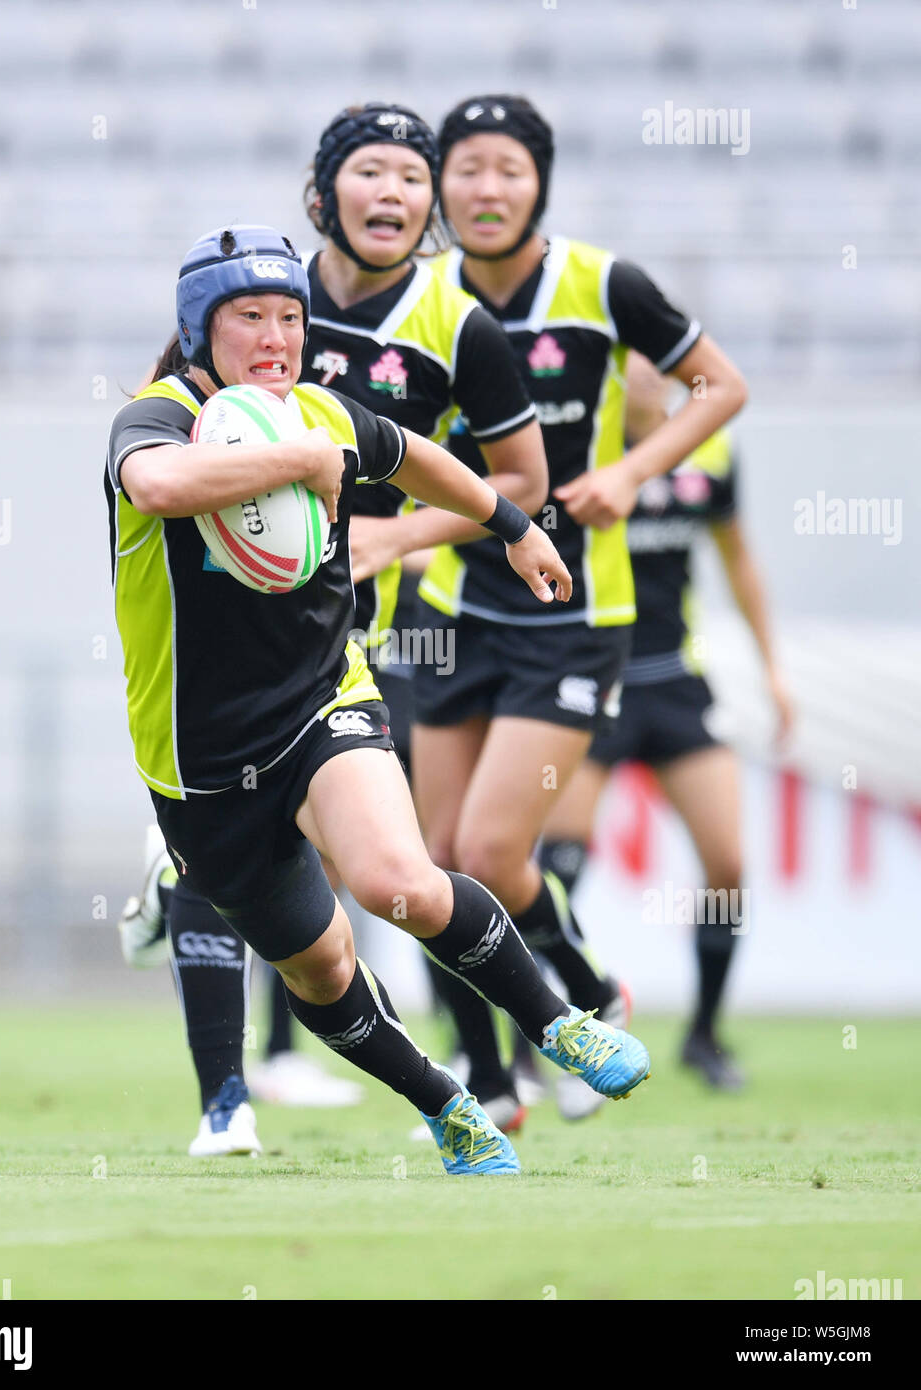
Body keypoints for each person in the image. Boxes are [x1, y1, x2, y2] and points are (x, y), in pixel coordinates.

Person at [104, 221, 652, 1177]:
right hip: (195, 759)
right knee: (318, 968)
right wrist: (302, 465)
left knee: (397, 880)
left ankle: (561, 1023)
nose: (276, 337)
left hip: (324, 701)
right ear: (199, 330)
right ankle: (443, 1100)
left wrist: (513, 523)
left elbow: (414, 459)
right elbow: (156, 487)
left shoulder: (318, 408)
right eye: (249, 319)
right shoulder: (154, 417)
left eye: (290, 317)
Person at [360, 94, 748, 1124]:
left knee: (490, 853)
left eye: (509, 169)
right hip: (448, 607)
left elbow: (719, 384)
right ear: (439, 185)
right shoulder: (421, 297)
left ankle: (584, 992)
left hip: (574, 617)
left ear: (540, 181)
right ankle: (490, 1079)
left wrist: (629, 471)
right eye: (467, 169)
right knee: (429, 866)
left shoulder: (600, 283)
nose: (486, 189)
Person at [541, 351, 793, 1090]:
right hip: (594, 680)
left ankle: (704, 1036)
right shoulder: (577, 447)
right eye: (629, 363)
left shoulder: (709, 447)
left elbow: (738, 555)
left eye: (660, 364)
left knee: (728, 866)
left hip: (677, 683)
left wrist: (772, 667)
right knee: (555, 869)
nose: (646, 378)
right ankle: (548, 1026)